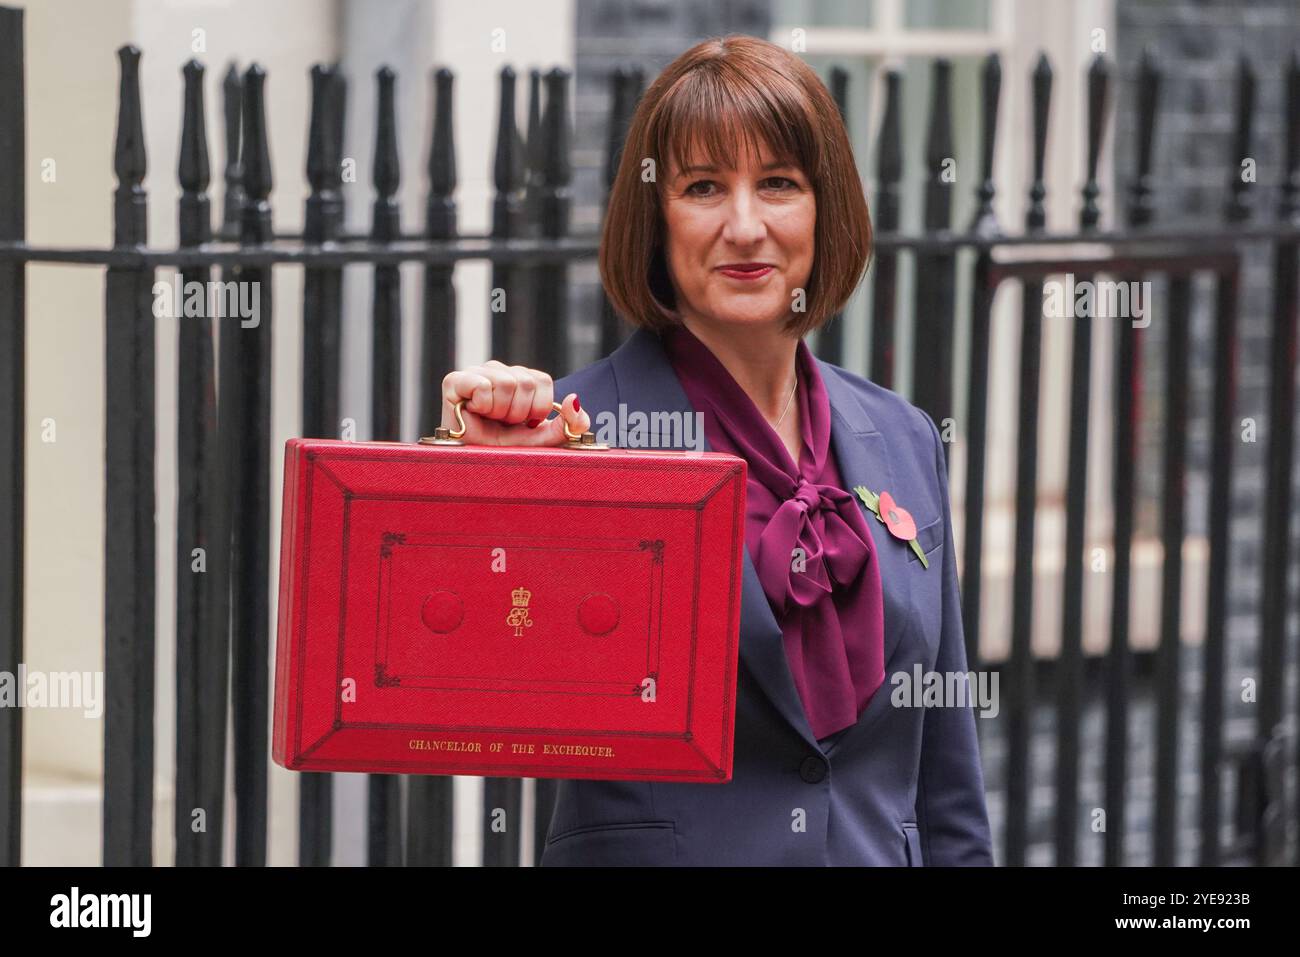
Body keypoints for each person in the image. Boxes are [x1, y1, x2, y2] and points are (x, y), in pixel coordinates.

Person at [438, 34, 993, 866]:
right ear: (656, 220)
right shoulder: (580, 437)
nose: (745, 225)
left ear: (823, 209)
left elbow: (947, 778)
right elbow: (459, 684)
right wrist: (481, 475)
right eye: (702, 187)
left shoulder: (906, 438)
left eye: (778, 183)